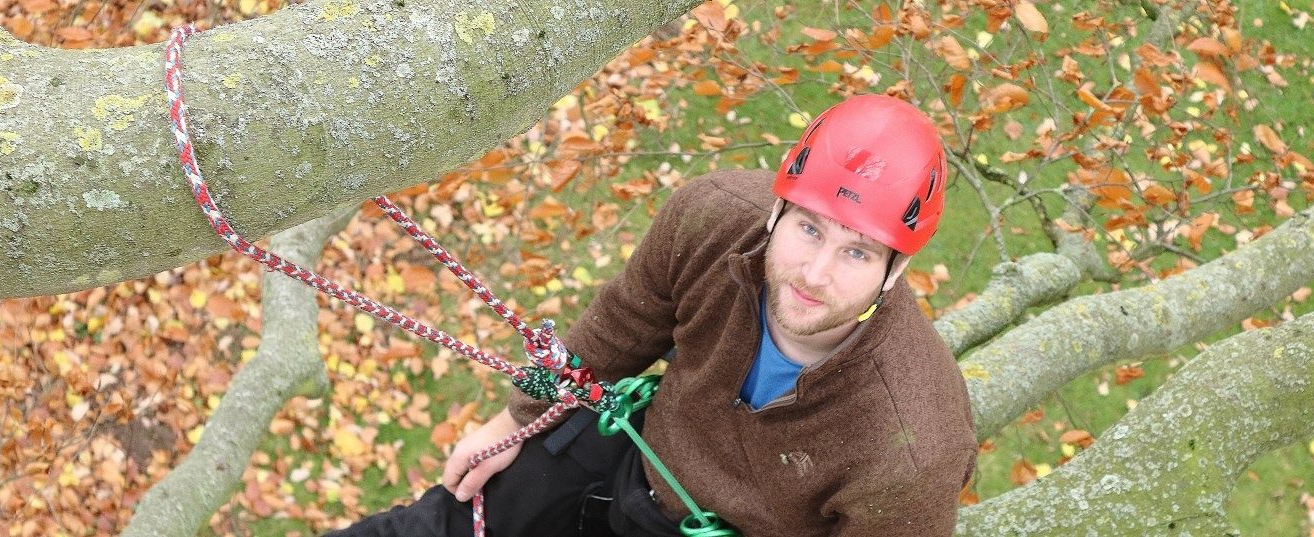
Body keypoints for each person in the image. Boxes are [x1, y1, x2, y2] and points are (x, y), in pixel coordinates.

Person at [329, 94, 977, 537]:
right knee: (440, 521)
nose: (815, 273)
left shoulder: (912, 443)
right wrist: (512, 420)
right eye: (808, 229)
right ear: (777, 209)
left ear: (894, 271)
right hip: (635, 458)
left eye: (856, 250)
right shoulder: (712, 217)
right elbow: (621, 323)